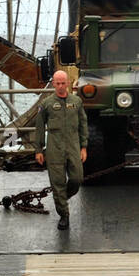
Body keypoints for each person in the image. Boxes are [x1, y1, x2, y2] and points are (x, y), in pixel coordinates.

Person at [34, 70, 88, 230]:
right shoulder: (47, 104)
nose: (60, 86)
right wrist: (38, 149)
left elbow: (83, 125)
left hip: (73, 146)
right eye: (57, 83)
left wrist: (83, 147)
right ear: (53, 84)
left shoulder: (76, 102)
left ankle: (61, 197)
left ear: (68, 83)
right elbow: (39, 127)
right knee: (57, 183)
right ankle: (64, 215)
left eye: (63, 83)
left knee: (77, 178)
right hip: (54, 148)